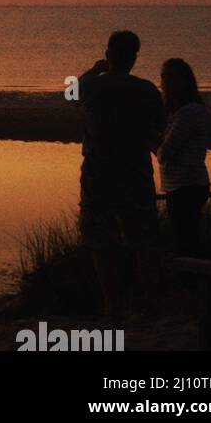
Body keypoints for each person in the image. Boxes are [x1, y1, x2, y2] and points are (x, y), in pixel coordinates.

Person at [76, 30, 165, 318]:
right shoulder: (147, 90)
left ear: (109, 54)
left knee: (101, 241)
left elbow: (69, 94)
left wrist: (94, 69)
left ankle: (112, 304)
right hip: (136, 173)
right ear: (134, 57)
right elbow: (158, 126)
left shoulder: (93, 86)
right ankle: (150, 301)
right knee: (144, 240)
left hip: (99, 174)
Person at [157, 58, 209, 257]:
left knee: (186, 242)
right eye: (163, 76)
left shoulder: (189, 112)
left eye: (171, 77)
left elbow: (165, 153)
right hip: (177, 185)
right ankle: (192, 282)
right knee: (184, 239)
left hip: (188, 185)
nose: (165, 82)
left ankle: (192, 284)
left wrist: (151, 139)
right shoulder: (174, 111)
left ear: (184, 80)